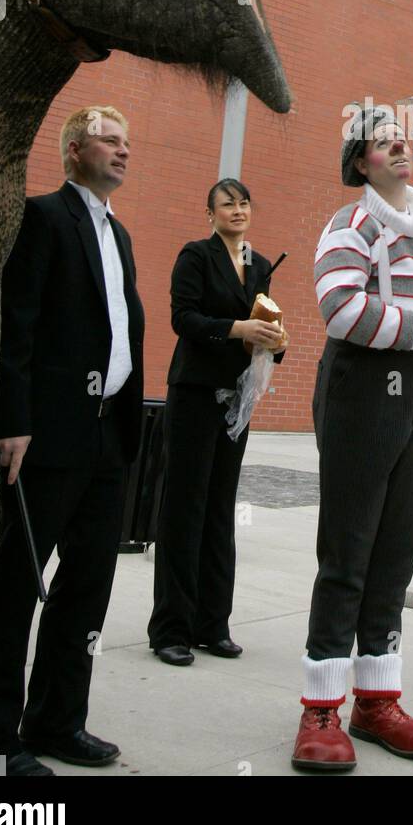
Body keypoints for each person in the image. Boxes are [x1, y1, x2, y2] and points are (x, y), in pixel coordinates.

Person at [0, 106, 144, 776]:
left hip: (107, 441)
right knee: (15, 584)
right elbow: (16, 324)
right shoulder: (41, 218)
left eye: (128, 142)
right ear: (72, 152)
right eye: (108, 139)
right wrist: (9, 420)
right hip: (47, 438)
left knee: (86, 588)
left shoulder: (116, 235)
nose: (123, 150)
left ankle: (57, 721)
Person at [291, 106, 413, 771]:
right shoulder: (353, 224)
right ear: (361, 160)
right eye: (382, 140)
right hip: (362, 389)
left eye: (405, 138)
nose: (400, 145)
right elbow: (341, 310)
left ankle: (377, 700)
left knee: (397, 548)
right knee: (349, 551)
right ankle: (320, 710)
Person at [148, 178, 285, 666]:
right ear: (210, 214)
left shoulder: (261, 265)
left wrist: (271, 339)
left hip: (235, 400)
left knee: (220, 507)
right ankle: (171, 629)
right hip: (194, 394)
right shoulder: (195, 256)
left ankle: (212, 624)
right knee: (185, 508)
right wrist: (236, 329)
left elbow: (261, 322)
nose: (237, 209)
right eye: (227, 204)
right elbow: (183, 319)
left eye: (244, 202)